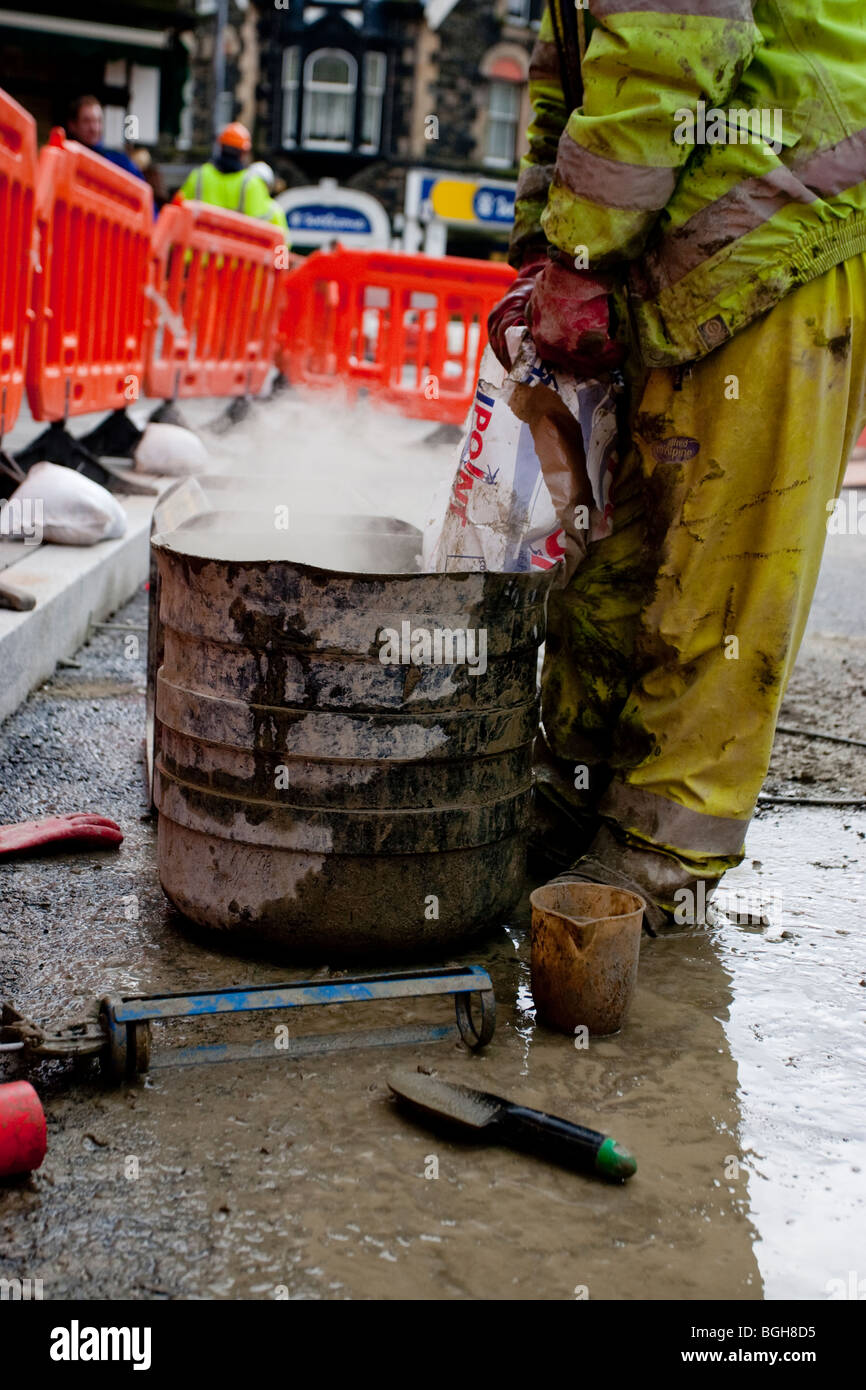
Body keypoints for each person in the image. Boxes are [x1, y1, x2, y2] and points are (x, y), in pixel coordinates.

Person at [488, 0, 866, 930]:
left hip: (782, 215)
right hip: (679, 218)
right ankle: (575, 790)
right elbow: (568, 71)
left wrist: (581, 252)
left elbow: (677, 37)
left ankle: (659, 860)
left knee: (720, 565)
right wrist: (549, 246)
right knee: (611, 538)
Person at [178, 124, 288, 238]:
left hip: (195, 251)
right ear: (244, 152)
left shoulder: (199, 175)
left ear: (220, 146)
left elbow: (178, 207)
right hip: (234, 254)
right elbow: (263, 225)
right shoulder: (251, 184)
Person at [65, 96, 146, 182]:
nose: (94, 128)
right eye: (86, 121)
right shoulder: (65, 159)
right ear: (72, 125)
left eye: (98, 121)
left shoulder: (119, 162)